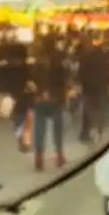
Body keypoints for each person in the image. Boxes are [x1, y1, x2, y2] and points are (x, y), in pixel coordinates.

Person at [32, 38, 69, 171]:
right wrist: (63, 97)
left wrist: (40, 92)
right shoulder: (58, 60)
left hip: (40, 98)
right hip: (55, 98)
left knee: (39, 128)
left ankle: (39, 156)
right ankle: (59, 155)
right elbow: (63, 80)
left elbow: (33, 79)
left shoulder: (38, 61)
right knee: (58, 128)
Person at [78, 32, 109, 143]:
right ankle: (100, 131)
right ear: (100, 39)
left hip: (88, 86)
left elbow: (81, 71)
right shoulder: (103, 55)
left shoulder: (86, 55)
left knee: (87, 109)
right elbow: (108, 71)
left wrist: (81, 84)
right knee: (101, 108)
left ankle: (85, 133)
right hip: (101, 85)